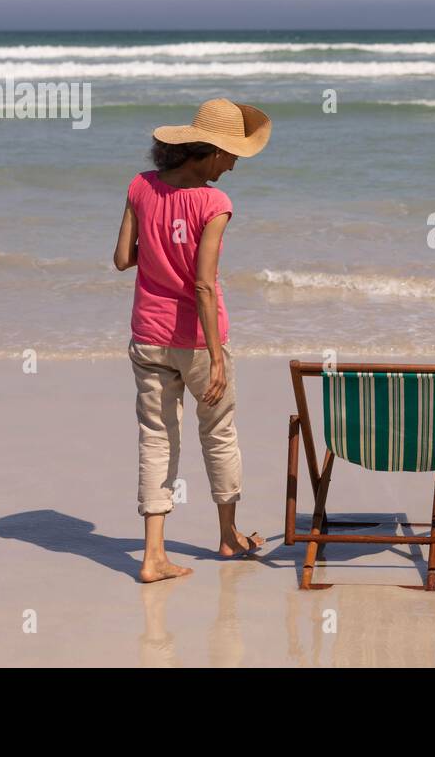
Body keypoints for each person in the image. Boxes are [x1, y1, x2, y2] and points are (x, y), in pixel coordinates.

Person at [112, 98, 271, 583]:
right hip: (199, 342)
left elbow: (122, 258)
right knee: (218, 432)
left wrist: (159, 250)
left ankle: (153, 555)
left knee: (157, 437)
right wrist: (218, 358)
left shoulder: (141, 186)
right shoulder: (214, 203)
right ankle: (228, 536)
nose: (235, 163)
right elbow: (203, 284)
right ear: (208, 152)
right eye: (230, 155)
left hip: (148, 335)